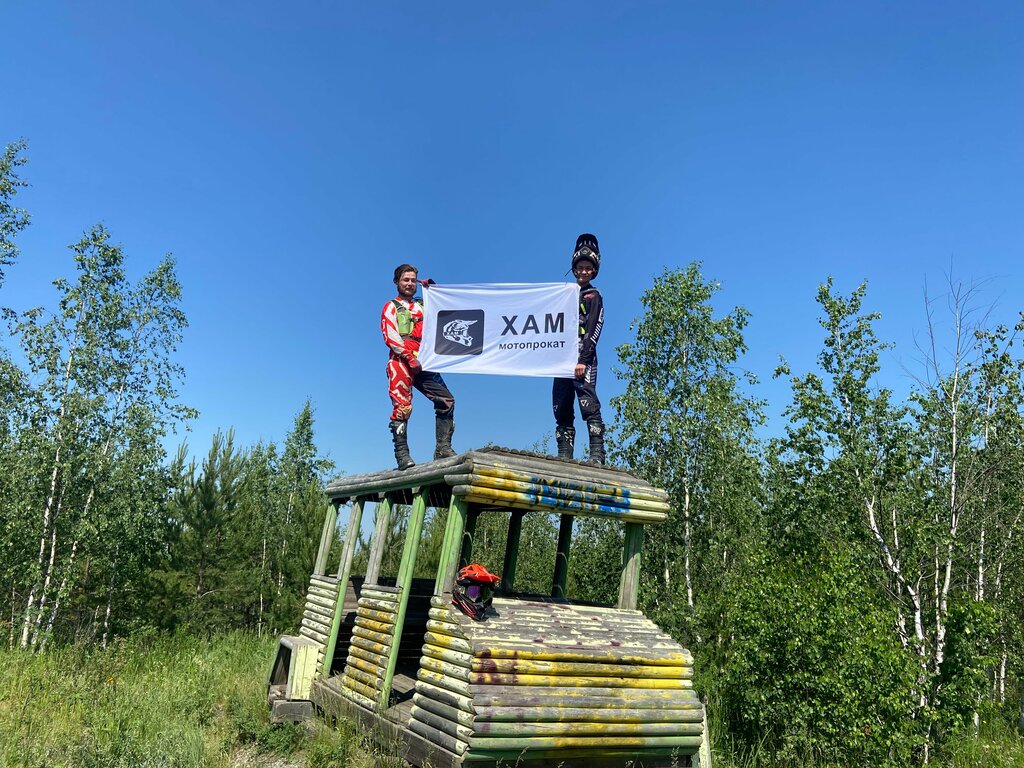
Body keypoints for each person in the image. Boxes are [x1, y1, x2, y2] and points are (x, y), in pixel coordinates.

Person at [381, 264, 456, 469]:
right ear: (397, 282)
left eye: (413, 280)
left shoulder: (423, 305)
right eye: (406, 280)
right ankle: (402, 455)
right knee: (402, 406)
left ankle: (443, 448)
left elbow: (444, 309)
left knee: (446, 399)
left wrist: (434, 290)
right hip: (401, 360)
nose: (410, 284)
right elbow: (390, 335)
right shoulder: (391, 306)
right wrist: (406, 356)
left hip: (425, 359)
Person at [552, 233, 605, 465]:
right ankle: (565, 455)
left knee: (588, 402)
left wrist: (583, 359)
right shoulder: (563, 295)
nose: (584, 272)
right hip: (561, 360)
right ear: (574, 269)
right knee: (561, 404)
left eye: (588, 268)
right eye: (580, 268)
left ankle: (597, 454)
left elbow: (594, 329)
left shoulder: (594, 295)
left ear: (593, 270)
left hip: (584, 359)